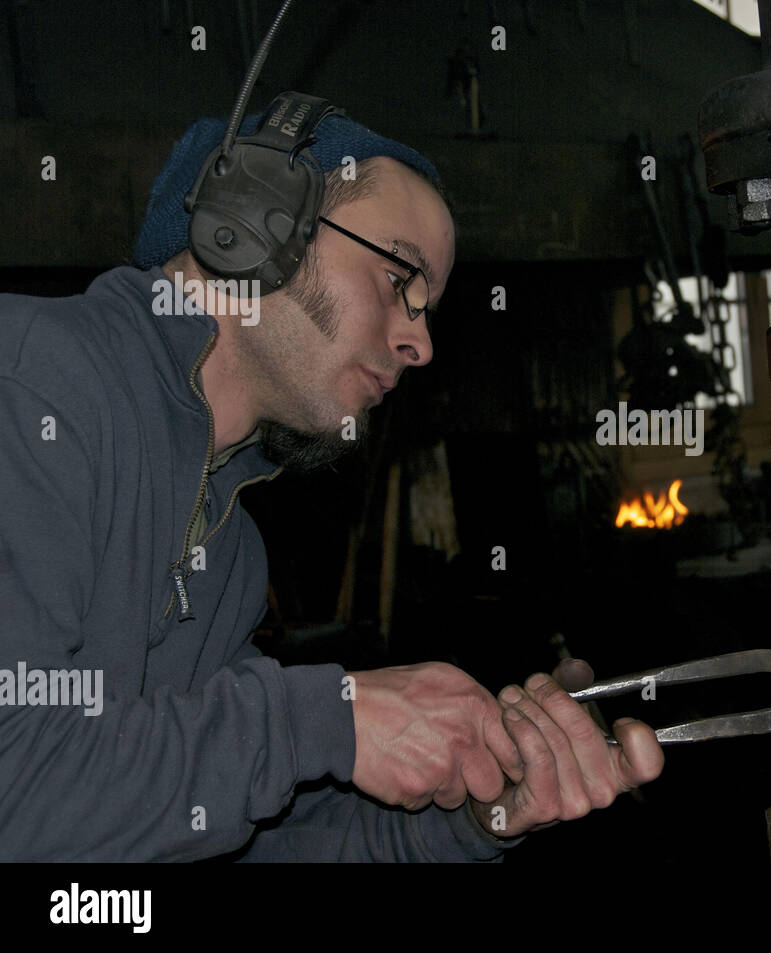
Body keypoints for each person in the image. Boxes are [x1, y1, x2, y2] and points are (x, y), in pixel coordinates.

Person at [0, 108, 663, 861]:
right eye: (397, 277)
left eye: (429, 309)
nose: (421, 344)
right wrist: (327, 719)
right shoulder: (29, 388)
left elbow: (239, 832)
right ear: (254, 221)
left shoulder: (231, 550)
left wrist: (480, 813)